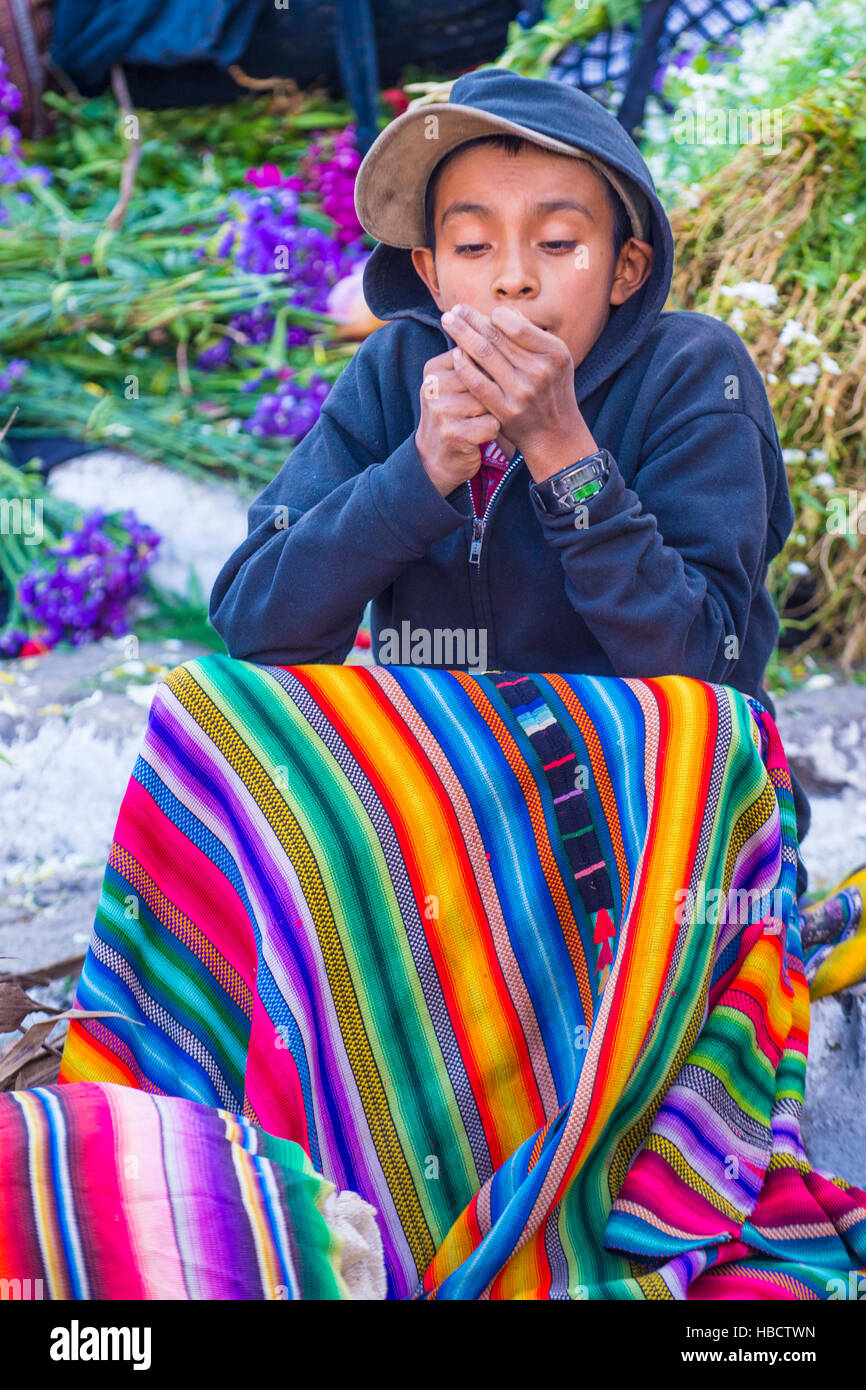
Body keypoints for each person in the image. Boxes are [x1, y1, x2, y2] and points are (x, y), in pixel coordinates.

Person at [209, 65, 812, 896]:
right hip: (454, 814)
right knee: (199, 707)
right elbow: (257, 628)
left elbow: (701, 669)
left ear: (626, 268)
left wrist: (563, 451)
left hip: (650, 827)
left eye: (559, 243)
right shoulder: (395, 373)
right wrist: (417, 477)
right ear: (429, 271)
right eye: (472, 246)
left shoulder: (695, 374)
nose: (513, 277)